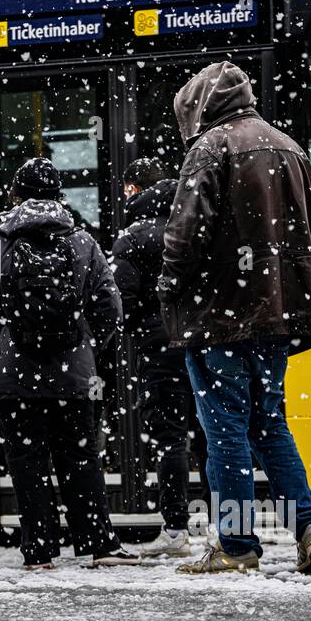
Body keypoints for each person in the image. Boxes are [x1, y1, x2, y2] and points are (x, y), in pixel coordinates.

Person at [156, 61, 311, 574]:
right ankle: (308, 525)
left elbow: (184, 234)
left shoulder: (209, 149)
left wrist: (170, 287)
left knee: (225, 431)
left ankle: (236, 545)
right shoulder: (291, 148)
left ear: (200, 107)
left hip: (221, 317)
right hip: (278, 316)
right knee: (271, 423)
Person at [0, 157, 139, 570]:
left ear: (16, 194)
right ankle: (98, 543)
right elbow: (110, 306)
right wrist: (87, 346)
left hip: (12, 375)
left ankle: (40, 550)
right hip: (72, 376)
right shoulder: (82, 242)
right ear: (59, 195)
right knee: (79, 457)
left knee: (27, 461)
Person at [110, 156, 205, 558]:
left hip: (160, 349)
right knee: (211, 435)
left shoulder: (130, 237)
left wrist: (146, 331)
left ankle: (176, 530)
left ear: (134, 190)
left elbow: (122, 304)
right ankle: (227, 528)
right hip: (202, 341)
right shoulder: (194, 222)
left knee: (170, 440)